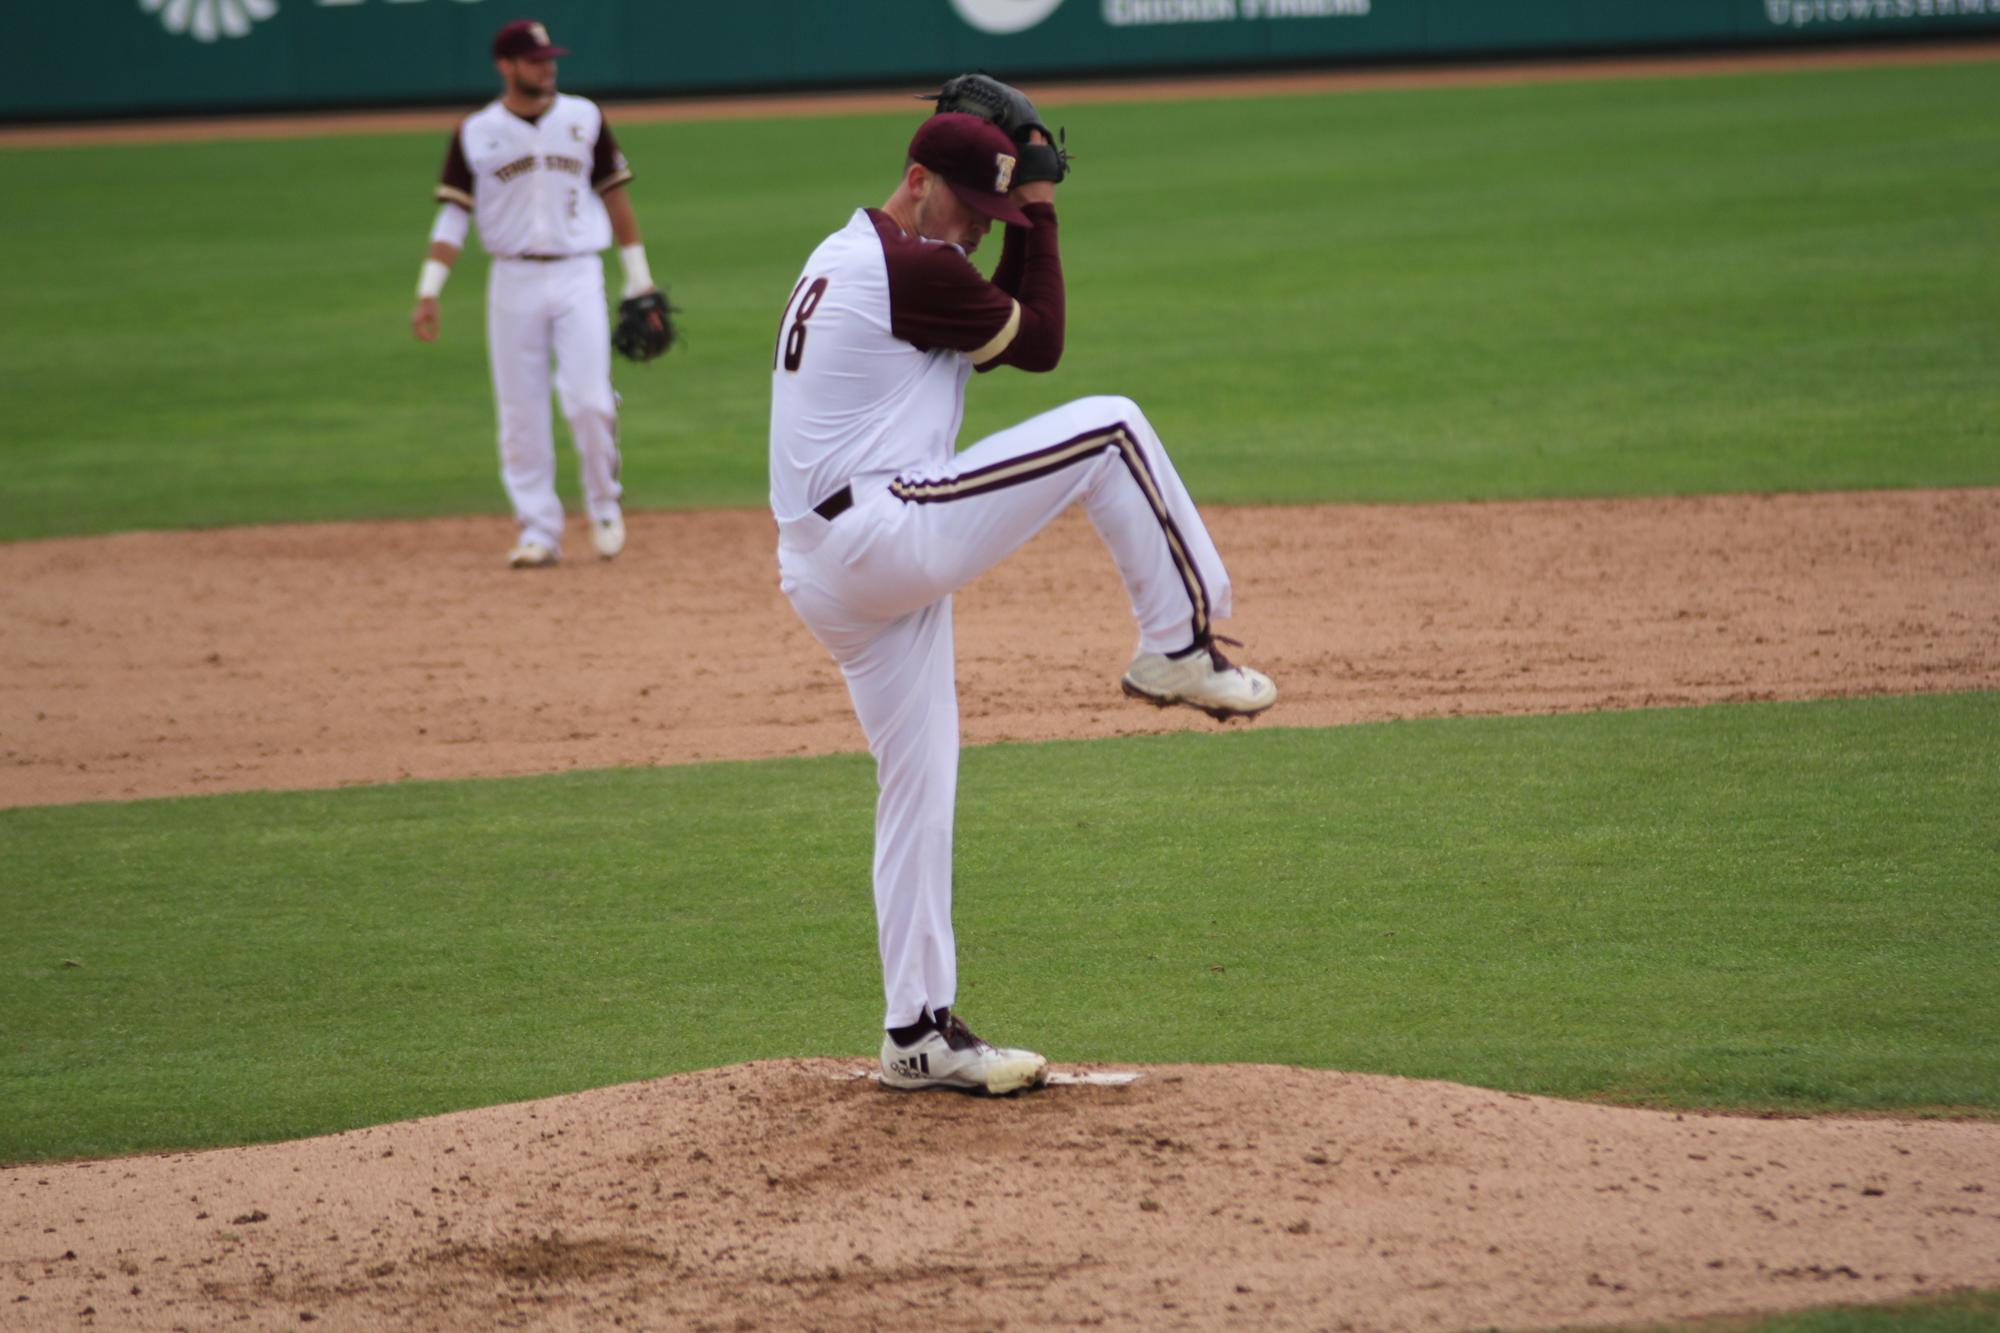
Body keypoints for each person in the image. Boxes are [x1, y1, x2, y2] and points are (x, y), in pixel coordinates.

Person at [768, 110, 1278, 1095]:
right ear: (915, 180)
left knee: (918, 784)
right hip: (878, 533)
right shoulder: (910, 270)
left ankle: (915, 1031)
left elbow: (993, 325)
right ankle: (1177, 640)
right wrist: (1040, 211)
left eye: (993, 209)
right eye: (973, 206)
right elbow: (1038, 342)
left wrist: (1016, 205)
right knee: (1109, 430)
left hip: (829, 563)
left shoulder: (862, 254)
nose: (981, 225)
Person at [409, 18, 659, 569]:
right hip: (511, 280)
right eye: (536, 59)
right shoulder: (476, 131)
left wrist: (639, 279)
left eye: (551, 59)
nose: (548, 67)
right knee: (519, 410)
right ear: (507, 65)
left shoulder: (583, 117)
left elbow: (615, 200)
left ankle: (603, 506)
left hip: (577, 274)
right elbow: (453, 217)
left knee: (590, 401)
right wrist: (430, 291)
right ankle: (538, 529)